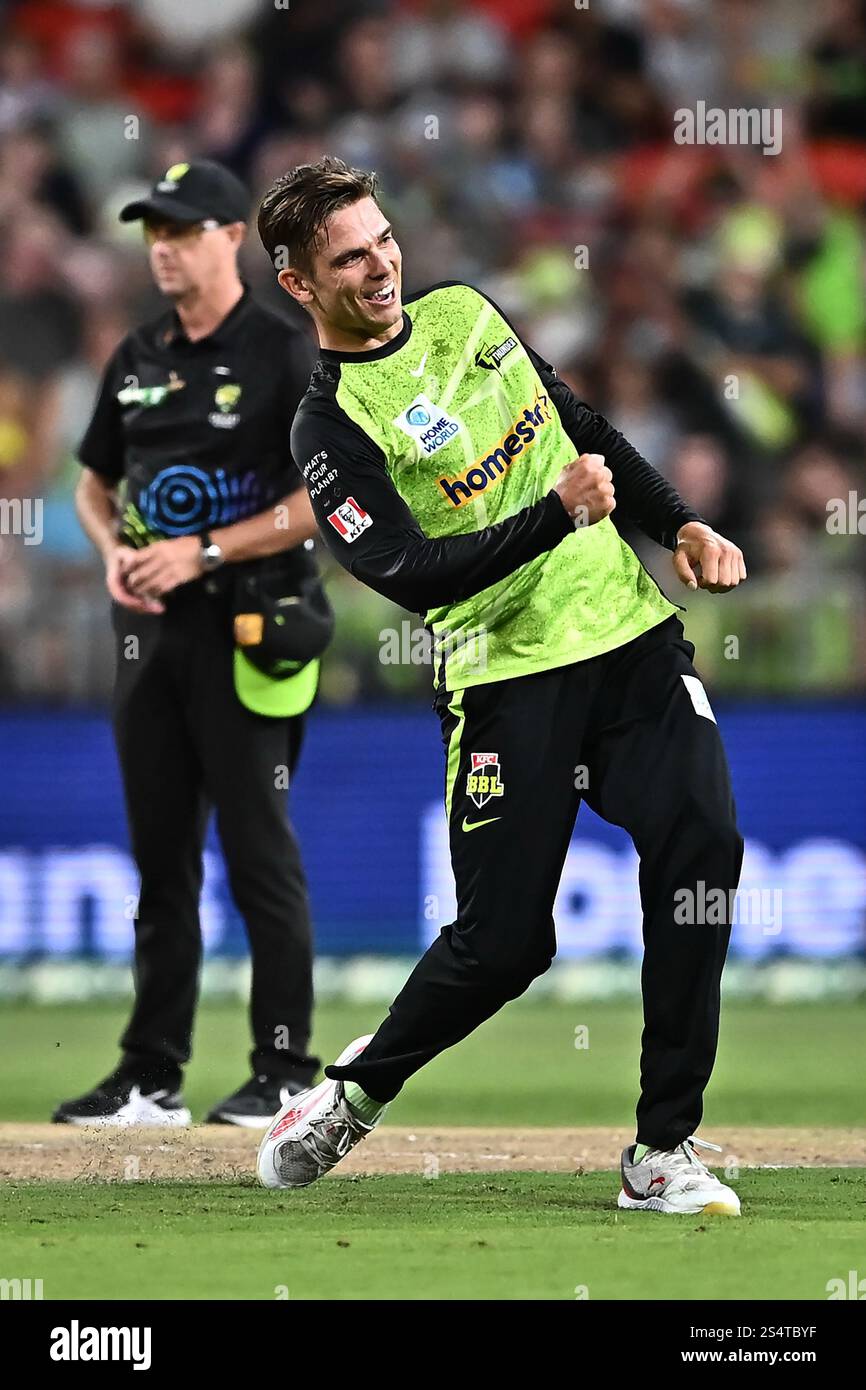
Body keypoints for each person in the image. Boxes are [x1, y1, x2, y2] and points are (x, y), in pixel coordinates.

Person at [254, 156, 747, 1214]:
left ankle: (661, 1147)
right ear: (300, 284)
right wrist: (552, 514)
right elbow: (408, 573)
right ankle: (354, 1091)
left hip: (626, 638)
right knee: (507, 943)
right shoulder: (329, 425)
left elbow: (580, 430)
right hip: (503, 680)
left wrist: (676, 523)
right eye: (349, 257)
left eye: (382, 239)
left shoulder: (468, 313)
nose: (380, 264)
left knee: (702, 838)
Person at [54, 160, 326, 1128]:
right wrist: (111, 553)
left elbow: (317, 506)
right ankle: (149, 1074)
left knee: (259, 854)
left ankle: (288, 1069)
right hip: (149, 640)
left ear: (229, 237)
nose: (162, 249)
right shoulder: (137, 356)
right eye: (152, 234)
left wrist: (199, 549)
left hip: (250, 631)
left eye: (180, 231)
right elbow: (94, 483)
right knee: (160, 860)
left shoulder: (286, 354)